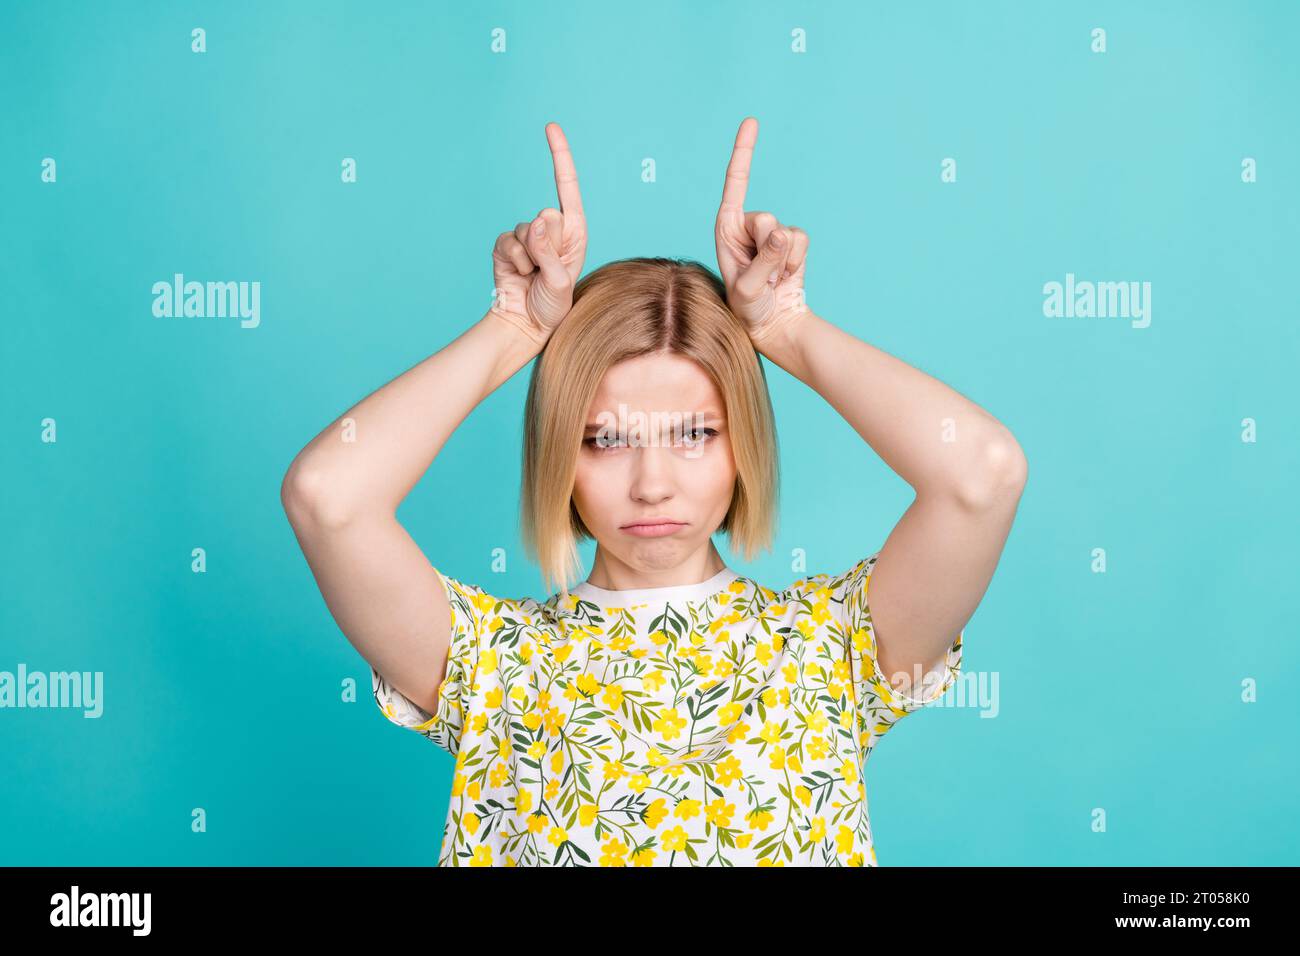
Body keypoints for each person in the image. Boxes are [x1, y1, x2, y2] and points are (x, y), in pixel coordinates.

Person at [281, 117, 1027, 867]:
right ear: (558, 455)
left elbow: (982, 474)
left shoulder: (832, 650)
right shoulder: (496, 665)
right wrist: (511, 329)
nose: (652, 483)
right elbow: (327, 496)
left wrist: (788, 328)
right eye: (605, 438)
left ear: (743, 445)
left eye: (694, 434)